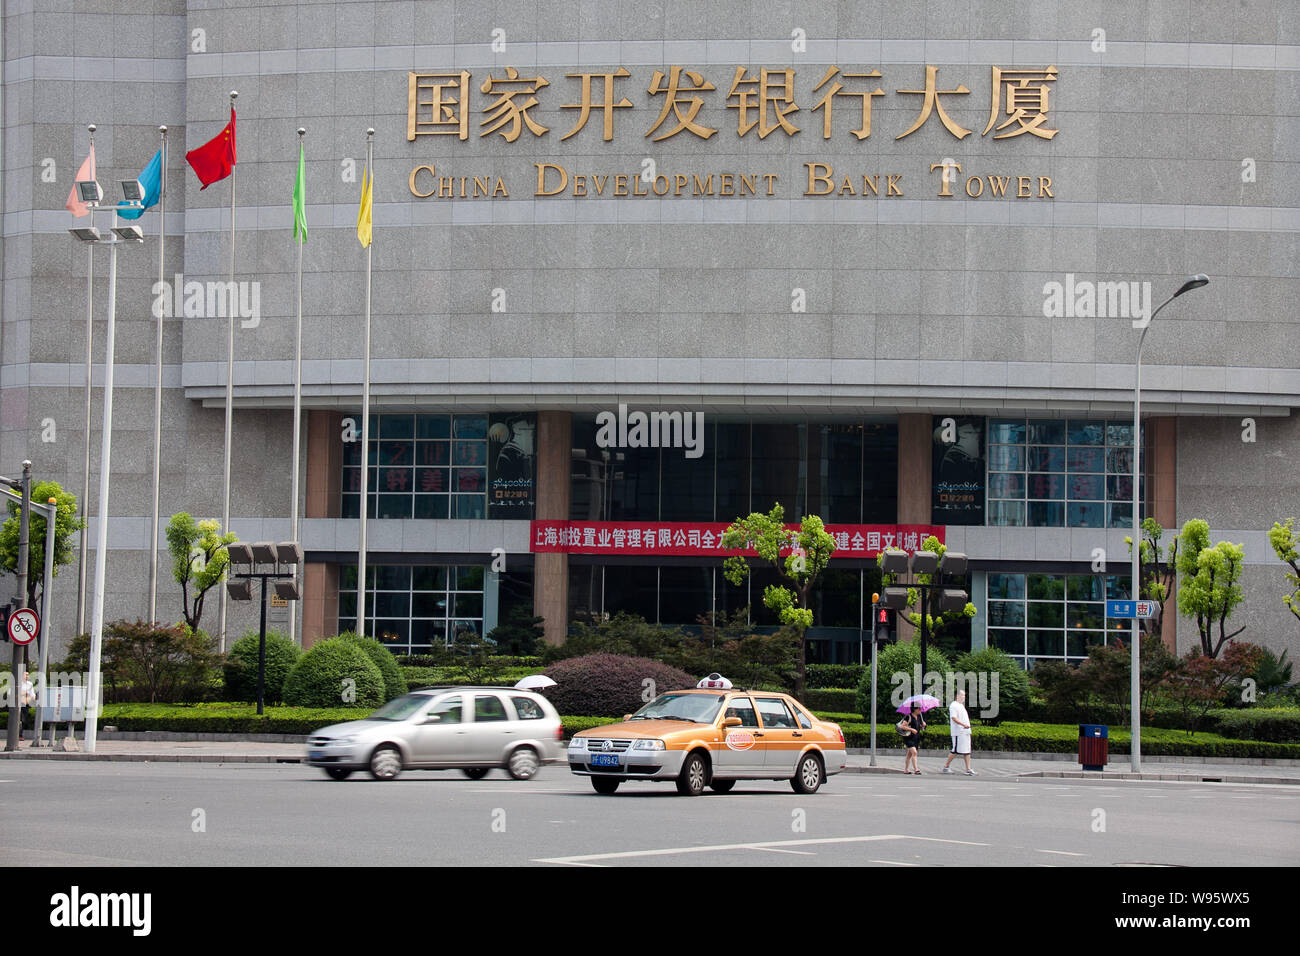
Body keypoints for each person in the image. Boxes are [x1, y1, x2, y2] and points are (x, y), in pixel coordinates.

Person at [941, 689, 975, 775]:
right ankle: (946, 767)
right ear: (957, 696)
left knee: (967, 750)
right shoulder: (953, 705)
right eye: (962, 695)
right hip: (958, 732)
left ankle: (968, 769)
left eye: (964, 695)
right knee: (955, 750)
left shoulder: (961, 706)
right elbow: (954, 718)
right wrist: (963, 725)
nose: (964, 697)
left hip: (965, 732)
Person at [897, 703, 925, 774]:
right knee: (914, 752)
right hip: (908, 737)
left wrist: (923, 725)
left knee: (909, 754)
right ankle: (916, 770)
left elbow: (919, 728)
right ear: (914, 709)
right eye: (919, 708)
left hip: (916, 738)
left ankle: (906, 770)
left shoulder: (919, 717)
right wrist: (911, 729)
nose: (920, 710)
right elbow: (902, 726)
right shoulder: (908, 717)